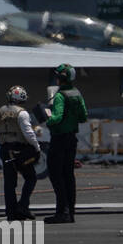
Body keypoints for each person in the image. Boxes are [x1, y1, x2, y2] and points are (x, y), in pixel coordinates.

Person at [44, 63, 87, 224]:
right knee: (69, 175)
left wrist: (47, 118)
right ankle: (70, 212)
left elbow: (57, 118)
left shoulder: (60, 96)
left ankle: (62, 212)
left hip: (59, 139)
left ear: (61, 78)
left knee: (56, 175)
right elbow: (83, 117)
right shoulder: (77, 93)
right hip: (71, 140)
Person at [0, 85, 40, 221]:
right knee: (31, 177)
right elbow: (28, 133)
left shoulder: (0, 111)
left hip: (4, 149)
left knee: (9, 183)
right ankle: (23, 206)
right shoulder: (22, 113)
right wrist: (36, 147)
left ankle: (11, 212)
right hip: (19, 150)